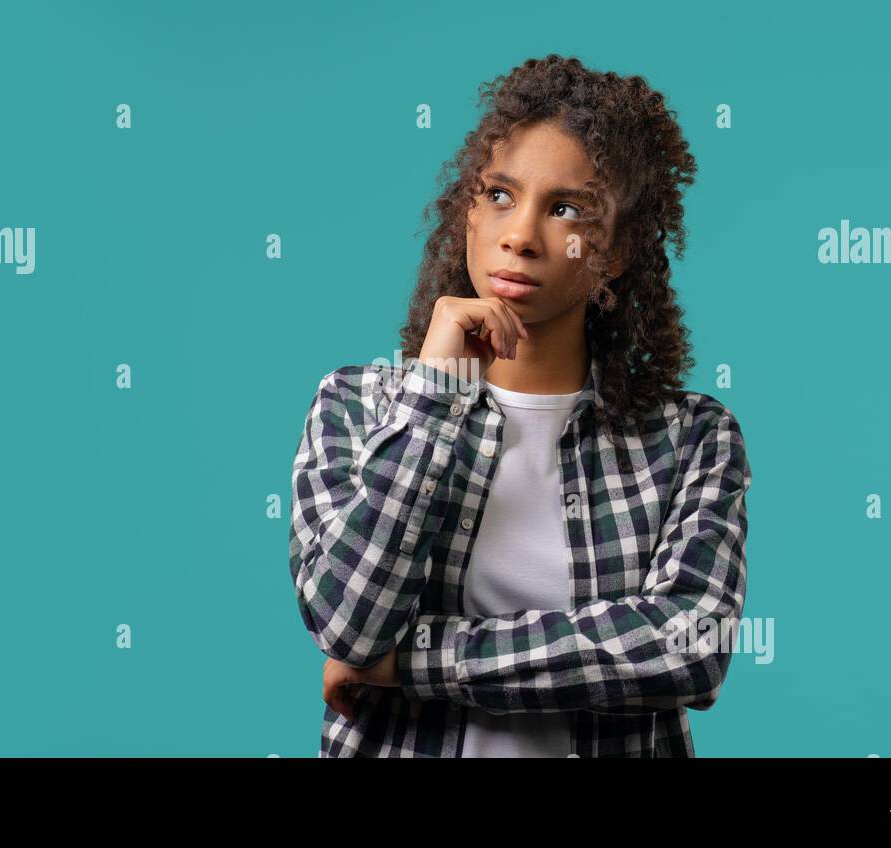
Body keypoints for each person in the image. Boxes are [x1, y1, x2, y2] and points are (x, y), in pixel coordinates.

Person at [288, 54, 752, 757]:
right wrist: (435, 397)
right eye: (499, 195)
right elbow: (350, 629)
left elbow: (688, 647)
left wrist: (417, 663)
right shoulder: (356, 404)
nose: (521, 236)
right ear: (468, 212)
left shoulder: (691, 438)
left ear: (617, 250)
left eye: (564, 209)